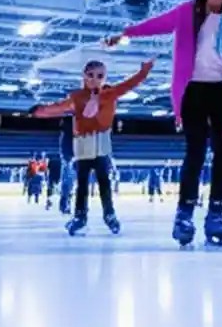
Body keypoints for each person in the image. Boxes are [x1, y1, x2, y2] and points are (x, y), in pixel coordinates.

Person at [110, 0, 222, 247]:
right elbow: (155, 24)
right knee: (195, 152)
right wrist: (126, 33)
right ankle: (184, 214)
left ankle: (215, 214)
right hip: (193, 91)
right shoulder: (186, 13)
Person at [30, 59, 153, 235]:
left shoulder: (110, 93)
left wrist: (143, 72)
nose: (95, 79)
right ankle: (80, 216)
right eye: (91, 75)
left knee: (104, 183)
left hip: (102, 146)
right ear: (84, 76)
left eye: (100, 76)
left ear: (105, 77)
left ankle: (109, 215)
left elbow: (129, 85)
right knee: (82, 184)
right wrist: (41, 111)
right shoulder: (77, 97)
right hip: (83, 147)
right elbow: (60, 107)